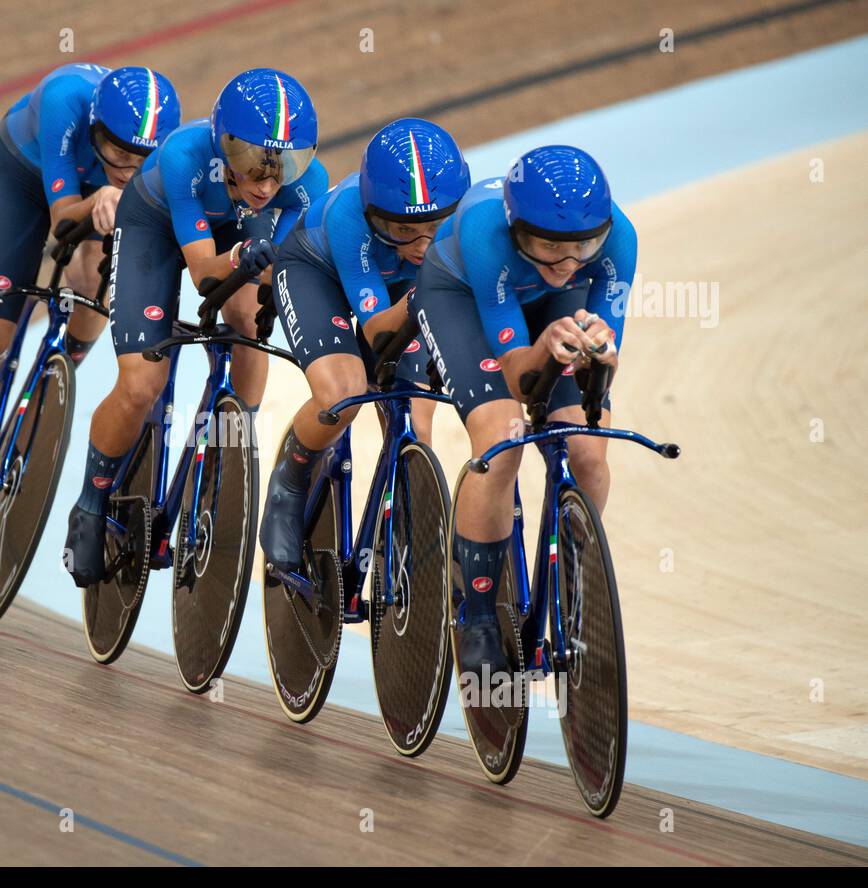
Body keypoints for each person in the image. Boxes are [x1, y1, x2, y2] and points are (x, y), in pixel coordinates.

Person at [0, 64, 181, 565]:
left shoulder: (160, 158)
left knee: (94, 287)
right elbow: (66, 215)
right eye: (116, 152)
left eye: (142, 160)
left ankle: (54, 376)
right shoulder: (67, 102)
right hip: (23, 181)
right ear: (95, 131)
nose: (129, 167)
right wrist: (102, 198)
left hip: (99, 203)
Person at [63, 67, 329, 586]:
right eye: (254, 167)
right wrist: (253, 259)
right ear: (224, 147)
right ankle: (91, 502)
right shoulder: (187, 156)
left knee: (250, 325)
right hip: (156, 228)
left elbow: (286, 272)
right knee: (142, 383)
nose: (269, 184)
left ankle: (231, 441)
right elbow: (208, 274)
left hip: (237, 234)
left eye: (283, 168)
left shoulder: (305, 187)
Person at [407, 144, 636, 683]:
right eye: (548, 246)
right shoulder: (487, 236)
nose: (566, 261)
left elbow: (601, 371)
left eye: (582, 247)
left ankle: (578, 578)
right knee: (501, 440)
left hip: (552, 304)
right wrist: (546, 348)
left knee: (585, 444)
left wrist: (598, 356)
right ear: (516, 230)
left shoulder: (618, 240)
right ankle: (478, 614)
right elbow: (517, 375)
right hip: (459, 297)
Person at [258, 118, 471, 571]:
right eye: (401, 229)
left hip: (404, 291)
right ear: (375, 213)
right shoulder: (348, 215)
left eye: (435, 226)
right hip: (318, 273)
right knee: (343, 394)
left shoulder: (461, 224)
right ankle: (289, 484)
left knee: (415, 414)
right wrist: (423, 297)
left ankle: (406, 536)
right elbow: (377, 332)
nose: (422, 243)